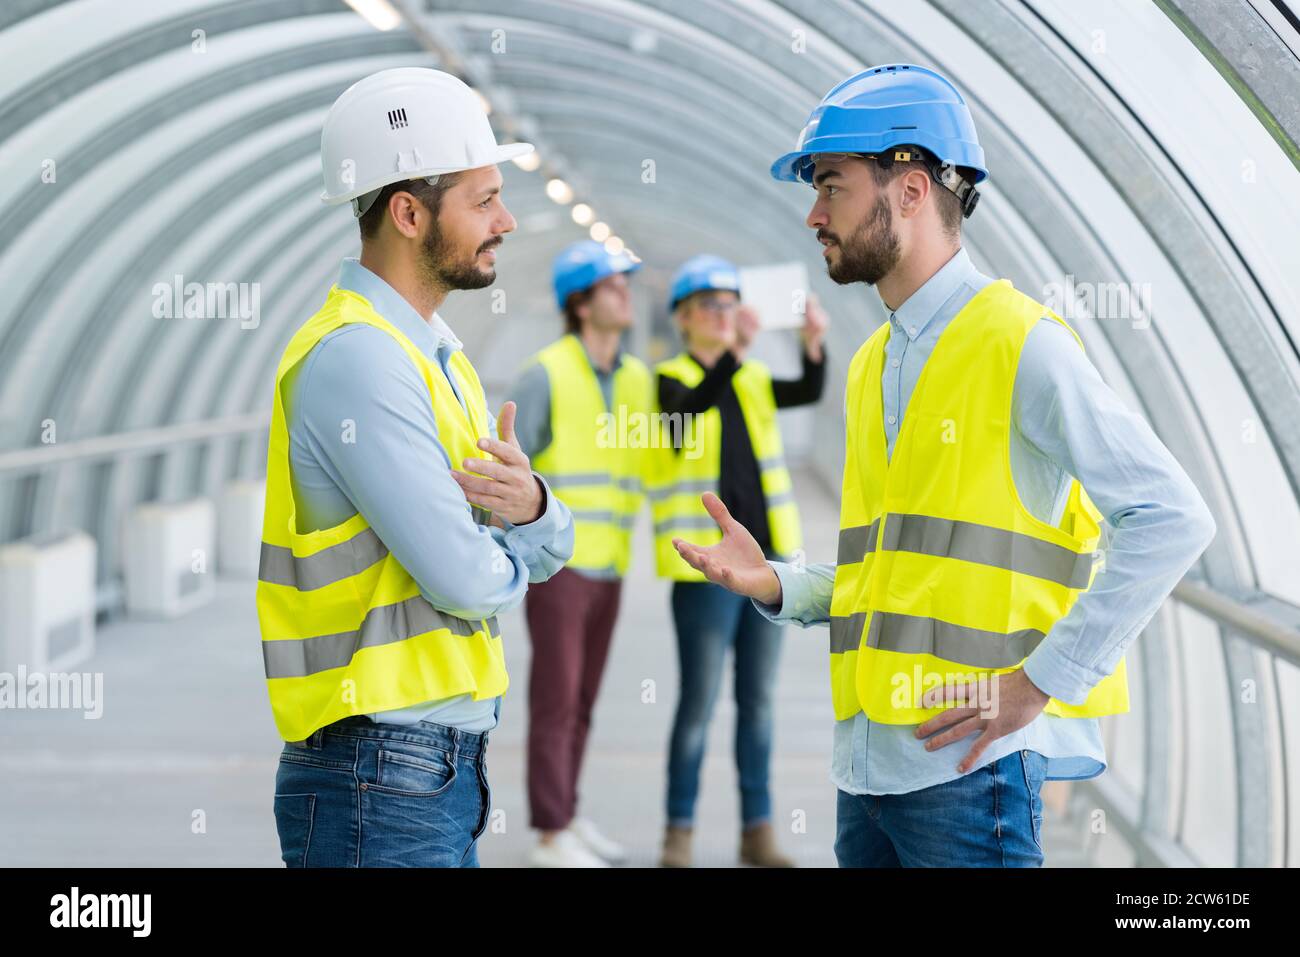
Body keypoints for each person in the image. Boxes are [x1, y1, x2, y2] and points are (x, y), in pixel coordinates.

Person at [673, 63, 1217, 867]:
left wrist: (1040, 682)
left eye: (831, 185)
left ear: (913, 188)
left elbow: (1173, 518)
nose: (814, 214)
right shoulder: (870, 364)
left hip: (970, 777)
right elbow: (893, 571)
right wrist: (779, 584)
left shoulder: (1019, 342)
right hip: (865, 773)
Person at [259, 67, 573, 867]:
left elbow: (530, 533)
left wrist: (536, 509)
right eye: (483, 200)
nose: (506, 219)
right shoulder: (358, 358)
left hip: (423, 772)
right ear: (407, 212)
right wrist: (522, 547)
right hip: (378, 771)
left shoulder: (436, 357)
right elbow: (463, 579)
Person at [650, 253, 828, 867]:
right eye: (710, 307)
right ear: (683, 319)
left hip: (767, 567)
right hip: (702, 573)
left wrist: (813, 346)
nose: (724, 316)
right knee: (697, 704)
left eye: (731, 305)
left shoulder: (748, 376)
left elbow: (805, 390)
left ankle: (758, 833)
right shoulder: (667, 378)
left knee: (757, 702)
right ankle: (679, 834)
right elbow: (686, 413)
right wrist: (735, 355)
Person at [507, 241, 654, 867]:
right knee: (556, 698)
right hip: (557, 571)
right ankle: (548, 832)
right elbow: (509, 475)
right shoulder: (544, 373)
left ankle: (566, 813)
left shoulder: (639, 377)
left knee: (584, 699)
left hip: (612, 564)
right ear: (581, 302)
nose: (626, 296)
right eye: (613, 286)